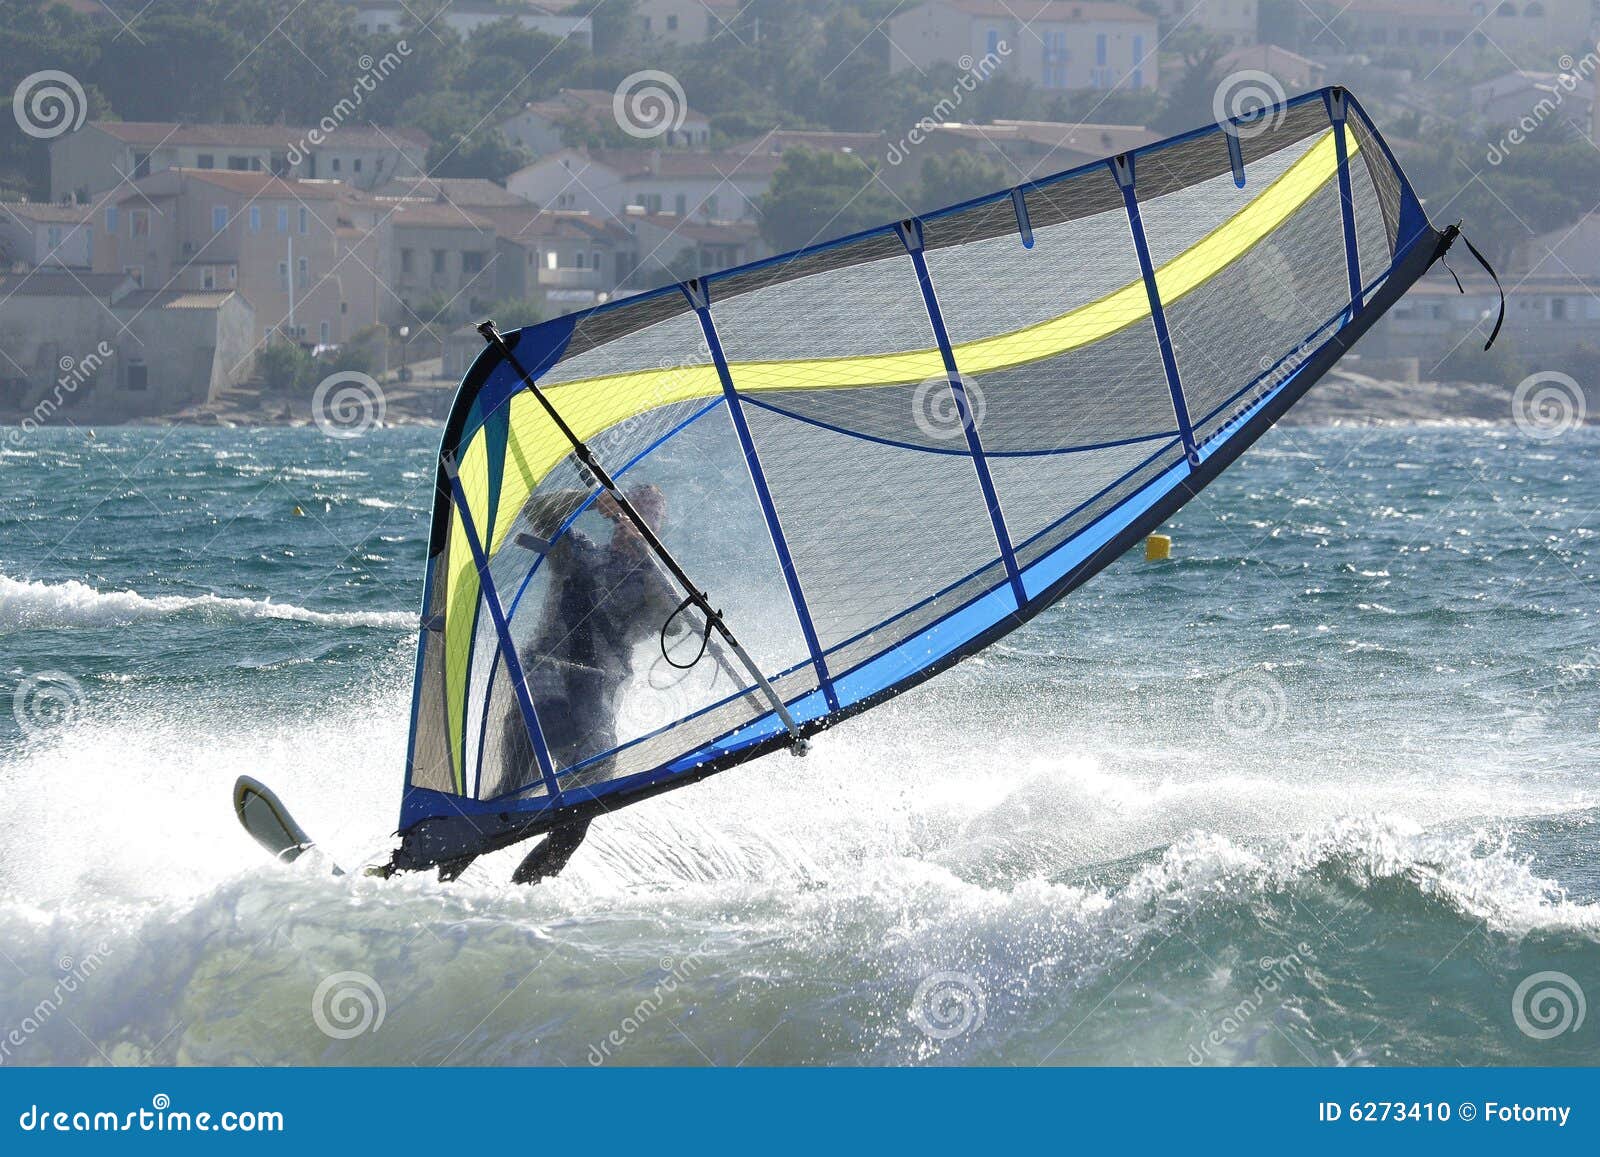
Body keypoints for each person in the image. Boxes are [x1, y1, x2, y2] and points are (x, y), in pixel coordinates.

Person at [498, 483, 678, 885]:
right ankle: (424, 872)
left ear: (657, 528)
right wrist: (589, 496)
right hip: (547, 683)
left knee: (580, 817)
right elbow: (540, 511)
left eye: (647, 518)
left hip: (596, 699)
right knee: (510, 790)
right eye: (627, 513)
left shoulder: (651, 579)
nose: (632, 524)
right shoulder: (578, 552)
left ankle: (521, 895)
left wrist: (648, 559)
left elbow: (677, 621)